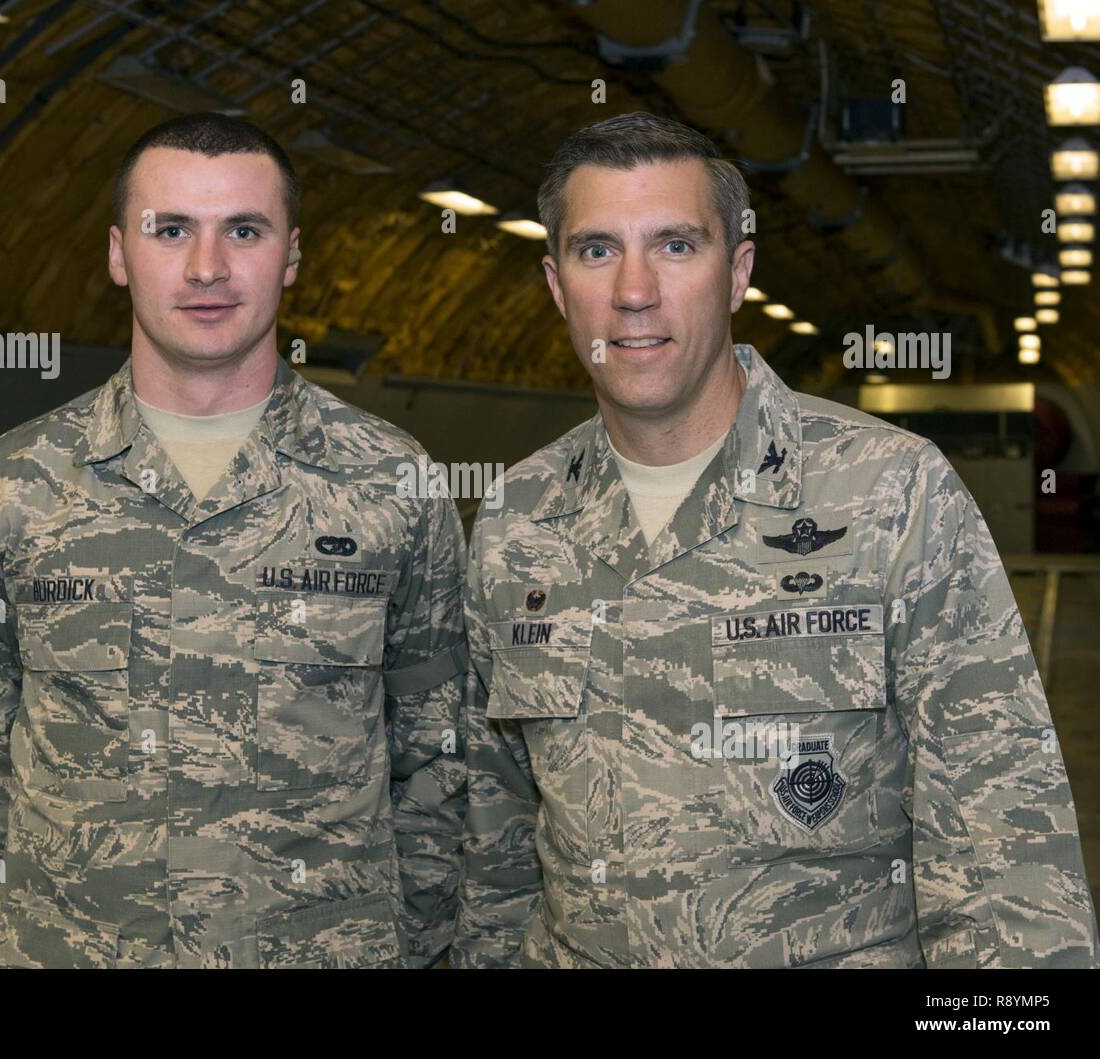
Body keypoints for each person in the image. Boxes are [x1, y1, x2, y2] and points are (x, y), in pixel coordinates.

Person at [451, 111, 1099, 968]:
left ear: (738, 274)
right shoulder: (514, 522)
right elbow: (489, 846)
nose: (634, 290)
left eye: (677, 246)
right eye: (597, 249)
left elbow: (1006, 852)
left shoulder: (889, 493)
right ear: (556, 282)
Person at [0, 112, 468, 968]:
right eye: (170, 229)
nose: (207, 268)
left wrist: (404, 941)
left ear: (290, 255)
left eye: (243, 230)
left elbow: (438, 752)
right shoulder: (19, 482)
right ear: (116, 253)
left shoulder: (391, 483)